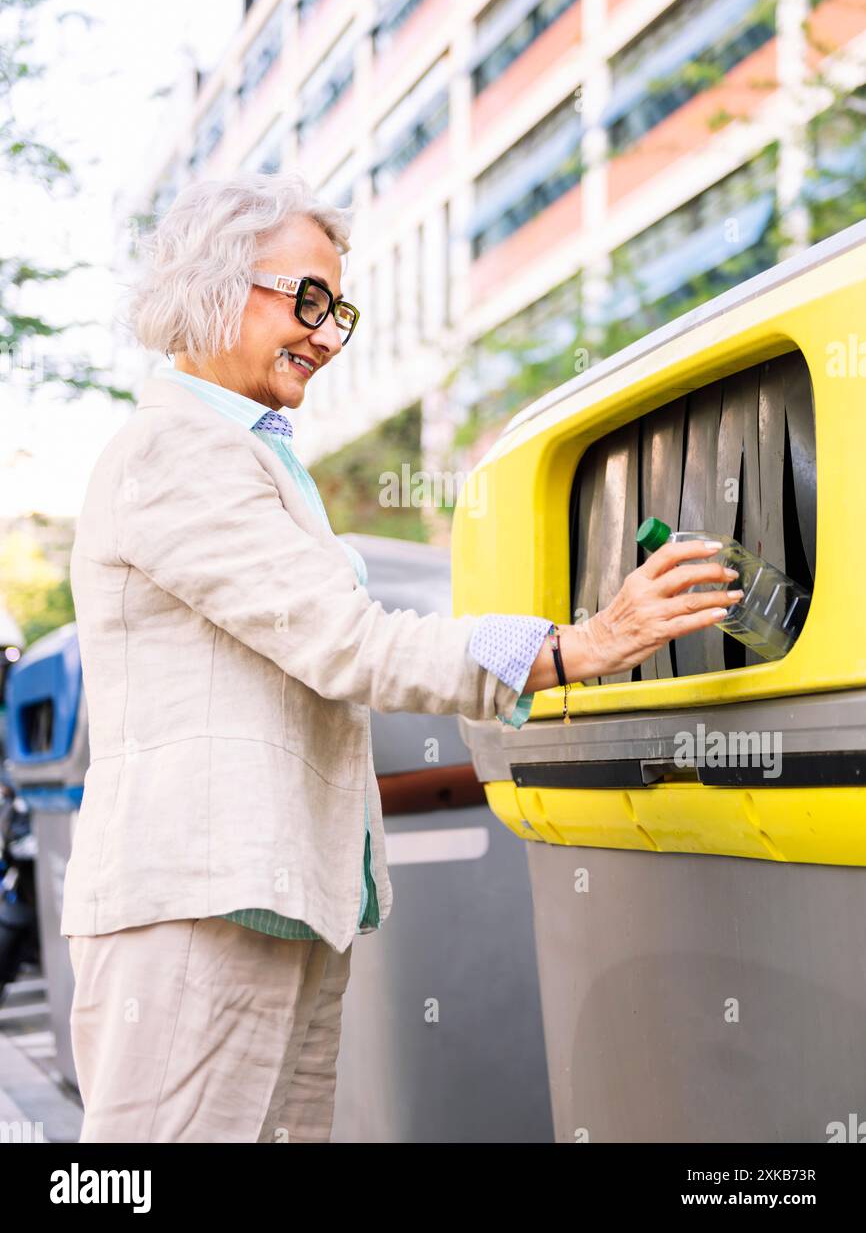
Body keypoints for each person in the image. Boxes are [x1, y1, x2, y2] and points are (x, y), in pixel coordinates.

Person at [60, 171, 743, 1142]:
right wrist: (576, 644)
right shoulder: (177, 450)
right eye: (306, 300)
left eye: (337, 310)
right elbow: (349, 641)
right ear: (212, 282)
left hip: (275, 900)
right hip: (198, 902)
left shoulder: (250, 455)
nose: (326, 335)